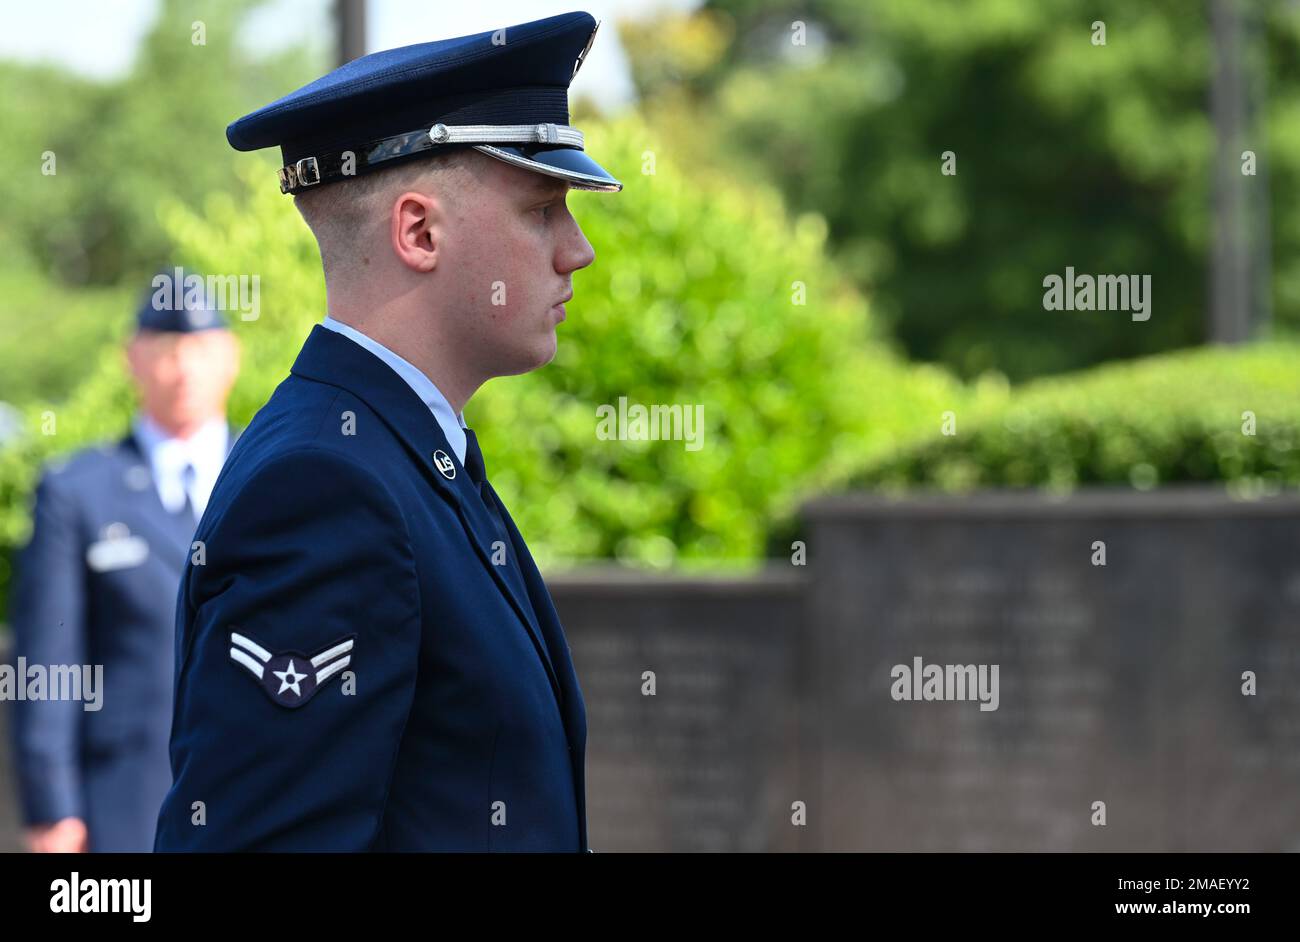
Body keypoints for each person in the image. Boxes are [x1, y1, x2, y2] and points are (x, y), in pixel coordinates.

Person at [154, 11, 621, 852]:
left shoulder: (400, 458)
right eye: (545, 208)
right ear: (419, 231)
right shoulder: (329, 489)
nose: (577, 249)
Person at [10, 274, 241, 852]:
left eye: (199, 350)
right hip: (124, 803)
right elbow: (48, 660)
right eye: (164, 351)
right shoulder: (77, 491)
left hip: (255, 797)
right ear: (131, 359)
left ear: (231, 358)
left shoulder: (274, 479)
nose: (183, 368)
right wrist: (52, 808)